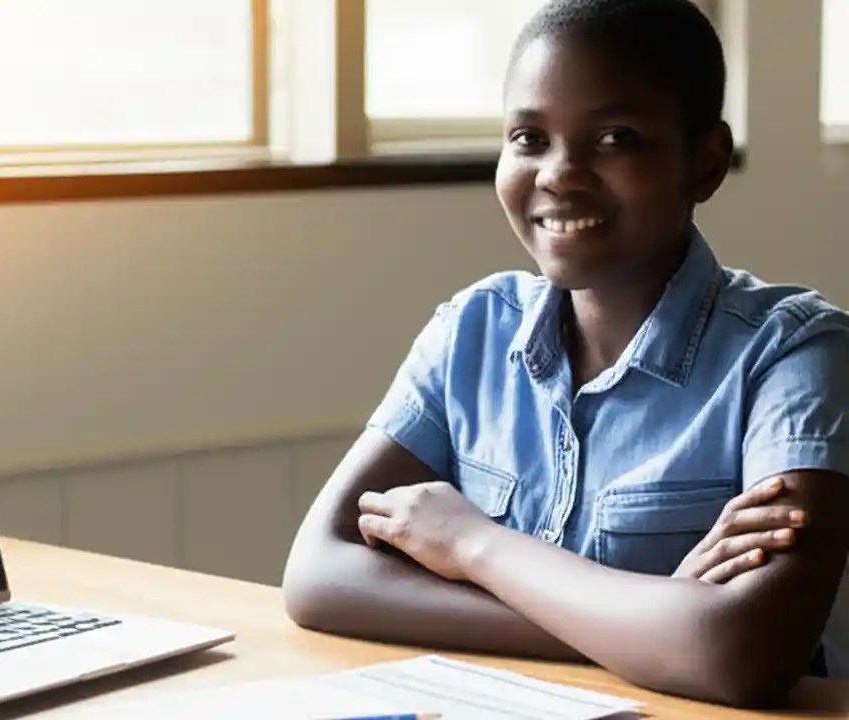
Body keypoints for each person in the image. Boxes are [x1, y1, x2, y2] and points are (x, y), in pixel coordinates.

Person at [282, 0, 849, 707]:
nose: (559, 173)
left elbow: (744, 652)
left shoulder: (793, 354)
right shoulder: (473, 331)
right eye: (529, 137)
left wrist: (473, 546)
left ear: (704, 162)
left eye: (615, 138)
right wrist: (650, 623)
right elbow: (318, 575)